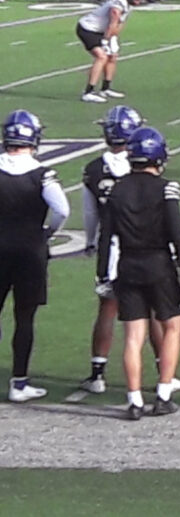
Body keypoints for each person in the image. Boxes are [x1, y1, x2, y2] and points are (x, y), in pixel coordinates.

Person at [80, 106, 180, 397]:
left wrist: (91, 243)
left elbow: (90, 214)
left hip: (113, 247)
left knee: (110, 310)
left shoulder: (93, 169)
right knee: (156, 311)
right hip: (147, 249)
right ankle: (164, 375)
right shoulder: (142, 163)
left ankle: (97, 373)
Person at [94, 127, 180, 420]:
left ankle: (134, 400)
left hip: (127, 264)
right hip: (159, 264)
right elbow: (176, 232)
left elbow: (105, 236)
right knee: (172, 327)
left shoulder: (115, 190)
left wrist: (102, 274)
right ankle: (163, 394)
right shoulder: (166, 188)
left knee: (133, 336)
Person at [0, 110, 69, 402]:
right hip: (30, 251)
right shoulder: (43, 174)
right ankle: (19, 383)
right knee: (24, 317)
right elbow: (62, 210)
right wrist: (47, 232)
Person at [77, 0, 144, 103]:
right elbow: (113, 22)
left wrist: (112, 39)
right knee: (101, 57)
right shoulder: (118, 3)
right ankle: (88, 92)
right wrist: (105, 41)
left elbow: (119, 25)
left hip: (102, 31)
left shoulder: (127, 5)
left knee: (112, 56)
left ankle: (105, 89)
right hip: (88, 29)